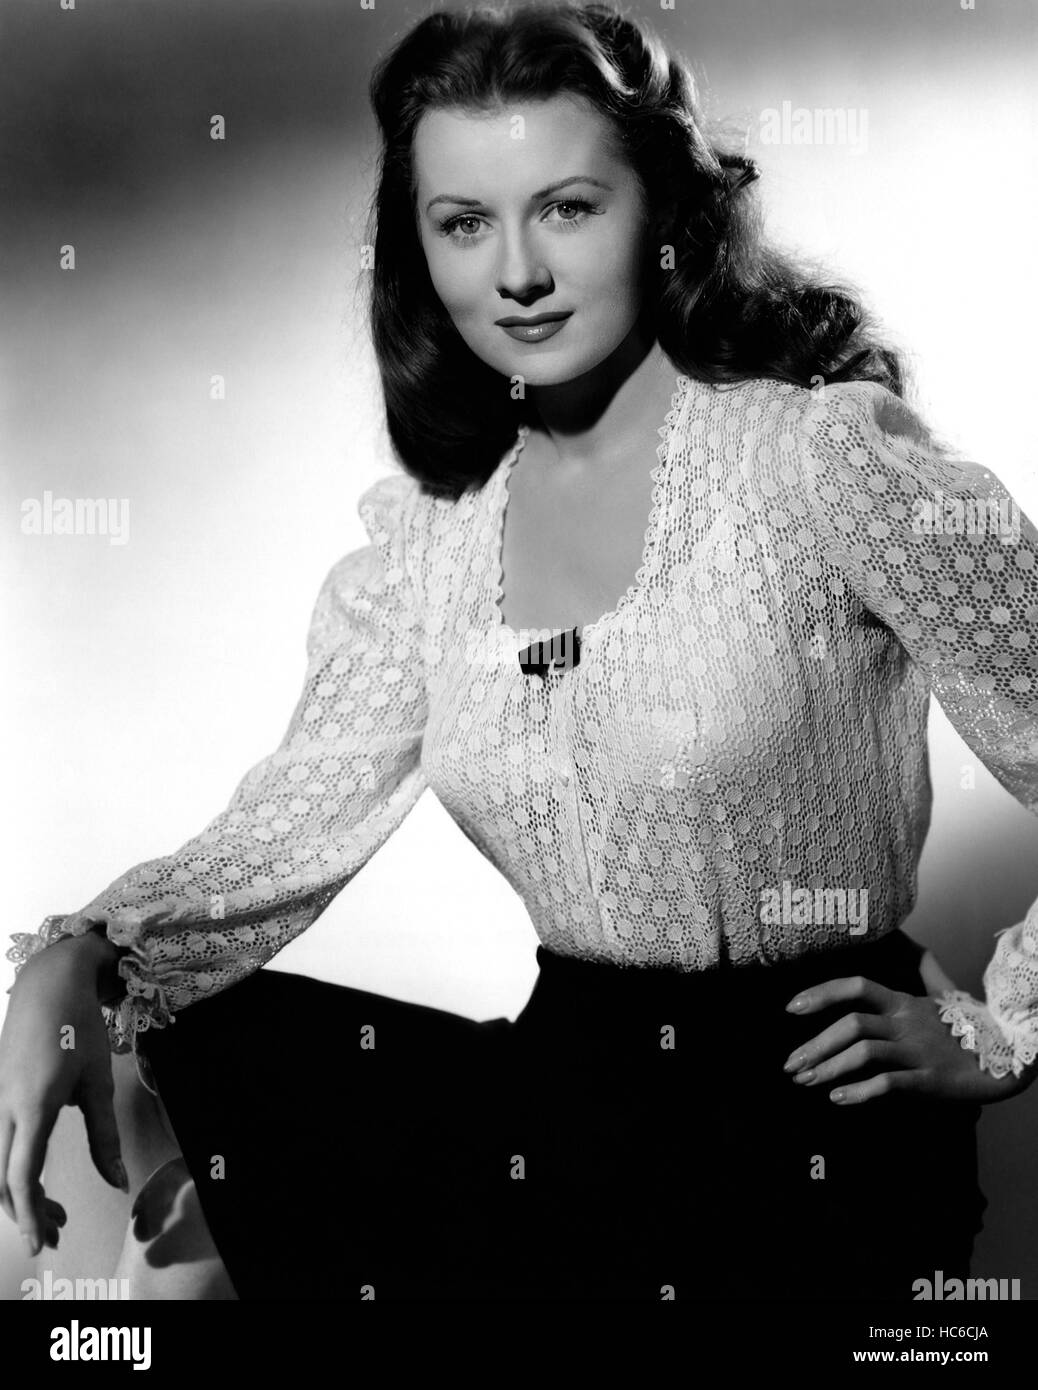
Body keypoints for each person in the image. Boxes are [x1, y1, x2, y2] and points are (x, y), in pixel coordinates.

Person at [3, 0, 1037, 1301]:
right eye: (461, 224)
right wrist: (82, 950)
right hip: (562, 1108)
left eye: (565, 207)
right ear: (415, 251)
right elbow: (290, 819)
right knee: (216, 1068)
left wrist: (1000, 1032)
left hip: (811, 1124)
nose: (517, 275)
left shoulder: (821, 457)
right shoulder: (434, 541)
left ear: (664, 212)